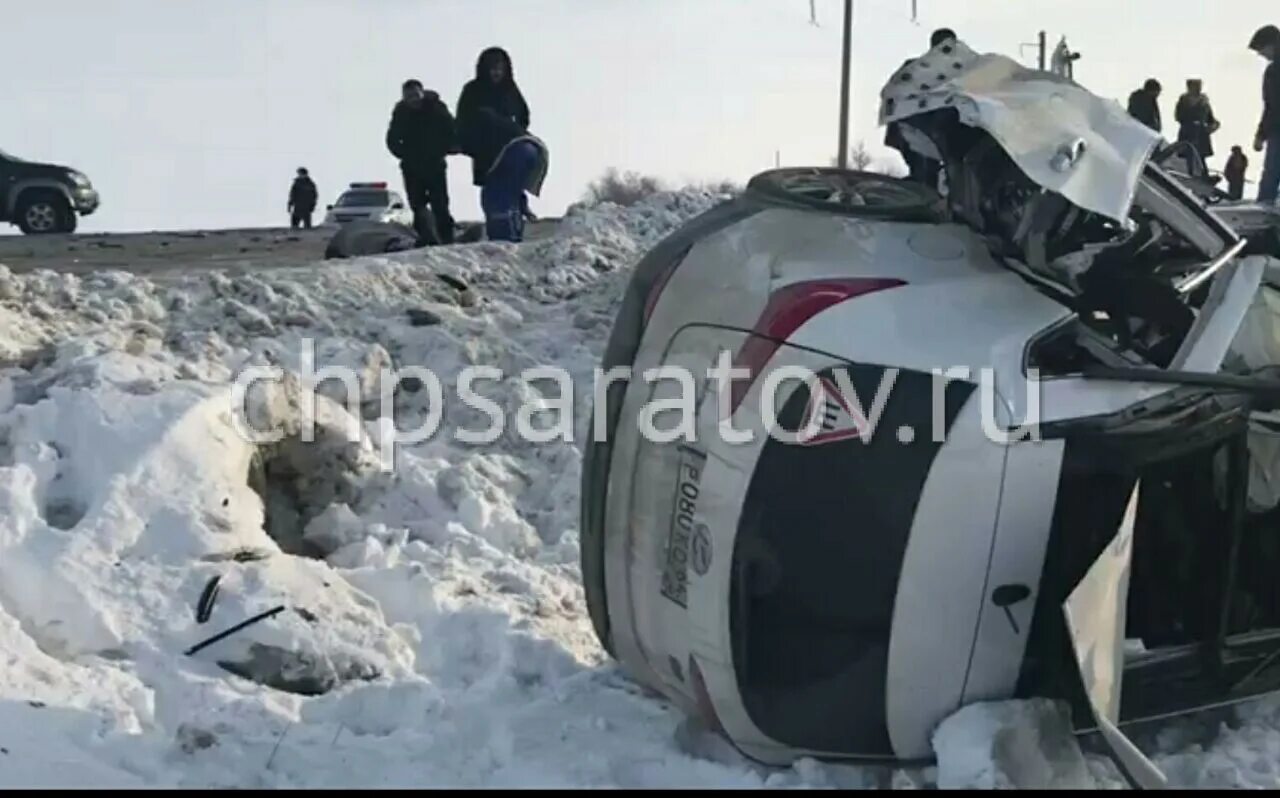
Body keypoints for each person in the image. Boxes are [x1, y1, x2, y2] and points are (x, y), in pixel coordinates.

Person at [457, 47, 546, 242]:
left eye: (500, 68)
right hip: (486, 150)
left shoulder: (510, 90)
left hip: (513, 147)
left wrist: (510, 129)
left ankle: (510, 235)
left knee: (506, 192)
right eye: (492, 69)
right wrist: (467, 143)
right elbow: (463, 121)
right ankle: (502, 235)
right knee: (494, 192)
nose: (496, 73)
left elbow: (524, 115)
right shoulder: (473, 91)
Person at [386, 78, 457, 245]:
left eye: (416, 95)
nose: (413, 100)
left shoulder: (436, 108)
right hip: (412, 167)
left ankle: (447, 238)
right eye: (409, 97)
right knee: (417, 205)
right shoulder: (400, 113)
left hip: (435, 164)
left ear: (422, 93)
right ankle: (426, 237)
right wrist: (405, 155)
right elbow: (392, 139)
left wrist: (443, 149)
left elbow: (451, 129)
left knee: (440, 204)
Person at [884, 27, 957, 188]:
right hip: (919, 125)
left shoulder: (961, 70)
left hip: (948, 129)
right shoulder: (916, 67)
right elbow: (896, 92)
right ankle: (921, 177)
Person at [1249, 25, 1280, 204]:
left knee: (1272, 173)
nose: (1260, 54)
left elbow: (1271, 106)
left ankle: (1264, 205)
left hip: (1277, 129)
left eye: (1261, 49)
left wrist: (1261, 135)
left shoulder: (1273, 71)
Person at [1175, 79, 1221, 162]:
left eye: (1199, 86)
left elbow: (1210, 119)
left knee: (1200, 160)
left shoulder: (1204, 102)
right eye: (1195, 86)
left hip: (1201, 135)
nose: (1197, 88)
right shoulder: (1183, 100)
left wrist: (1213, 126)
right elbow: (1178, 116)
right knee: (1186, 160)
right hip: (1187, 133)